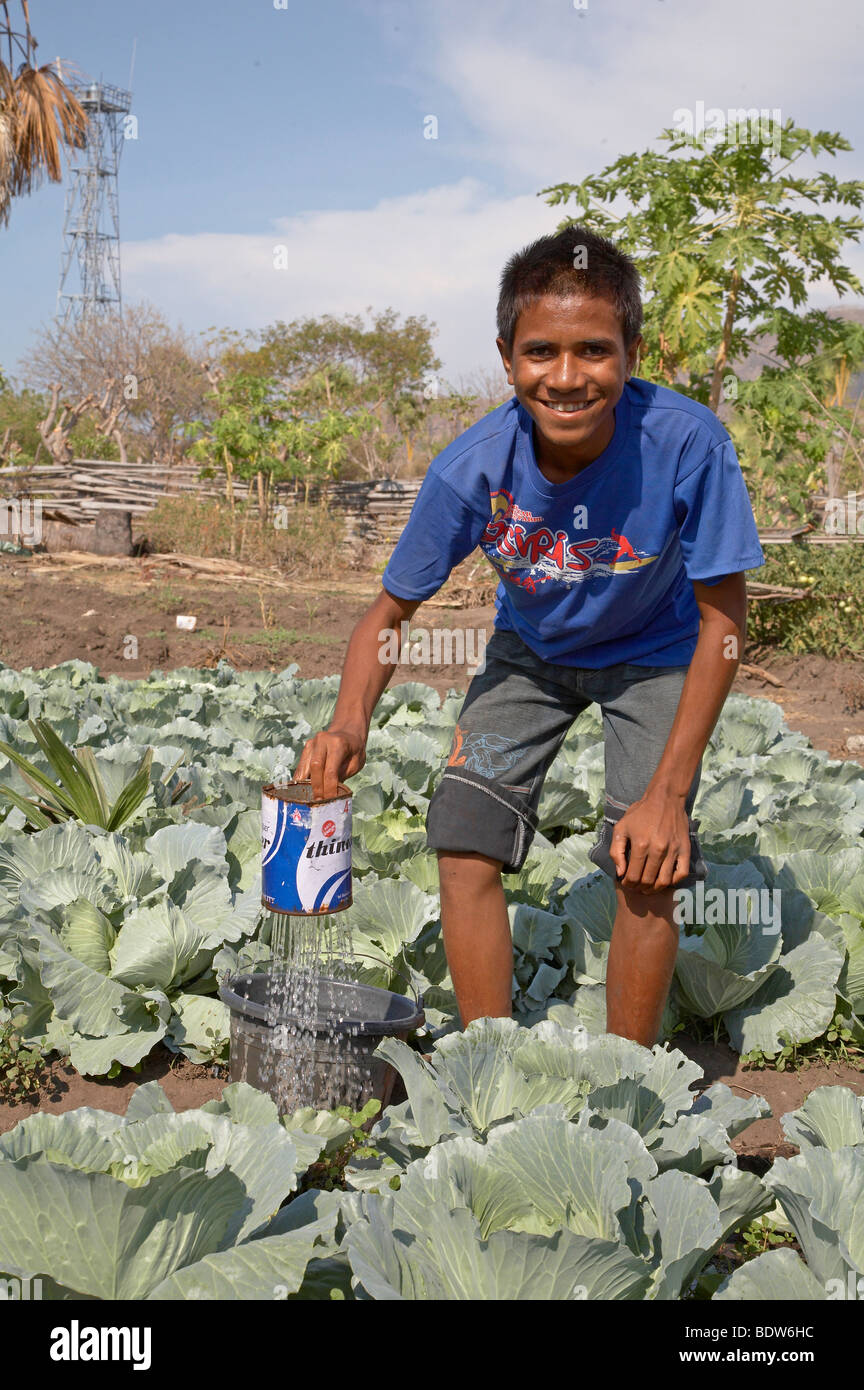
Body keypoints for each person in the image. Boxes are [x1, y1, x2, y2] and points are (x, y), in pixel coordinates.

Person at [295, 226, 764, 1047]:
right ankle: (491, 1064)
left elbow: (725, 620)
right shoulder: (472, 469)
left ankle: (631, 1082)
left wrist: (667, 796)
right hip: (532, 657)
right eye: (541, 352)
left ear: (632, 353)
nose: (568, 376)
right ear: (508, 357)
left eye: (595, 351)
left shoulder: (688, 444)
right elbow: (388, 615)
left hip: (658, 652)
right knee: (463, 838)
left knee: (648, 861)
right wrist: (347, 720)